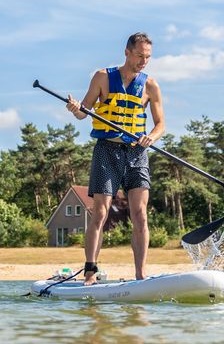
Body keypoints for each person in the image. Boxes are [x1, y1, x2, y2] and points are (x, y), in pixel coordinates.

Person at [66, 33, 165, 284]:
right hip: (107, 150)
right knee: (100, 212)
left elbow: (160, 124)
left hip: (137, 153)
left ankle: (141, 275)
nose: (144, 61)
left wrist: (151, 137)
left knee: (140, 214)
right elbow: (84, 111)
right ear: (127, 52)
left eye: (148, 57)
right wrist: (76, 109)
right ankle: (90, 272)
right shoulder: (102, 77)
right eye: (139, 55)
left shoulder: (151, 85)